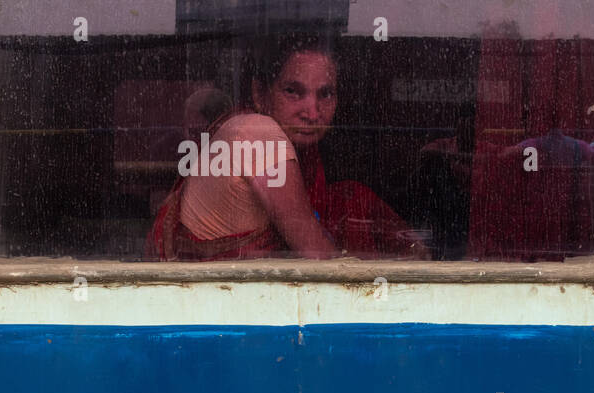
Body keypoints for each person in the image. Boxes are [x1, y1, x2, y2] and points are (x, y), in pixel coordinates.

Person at [146, 34, 427, 261]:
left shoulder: (281, 145)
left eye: (325, 94)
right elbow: (319, 259)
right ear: (260, 94)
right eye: (293, 91)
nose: (312, 111)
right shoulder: (258, 131)